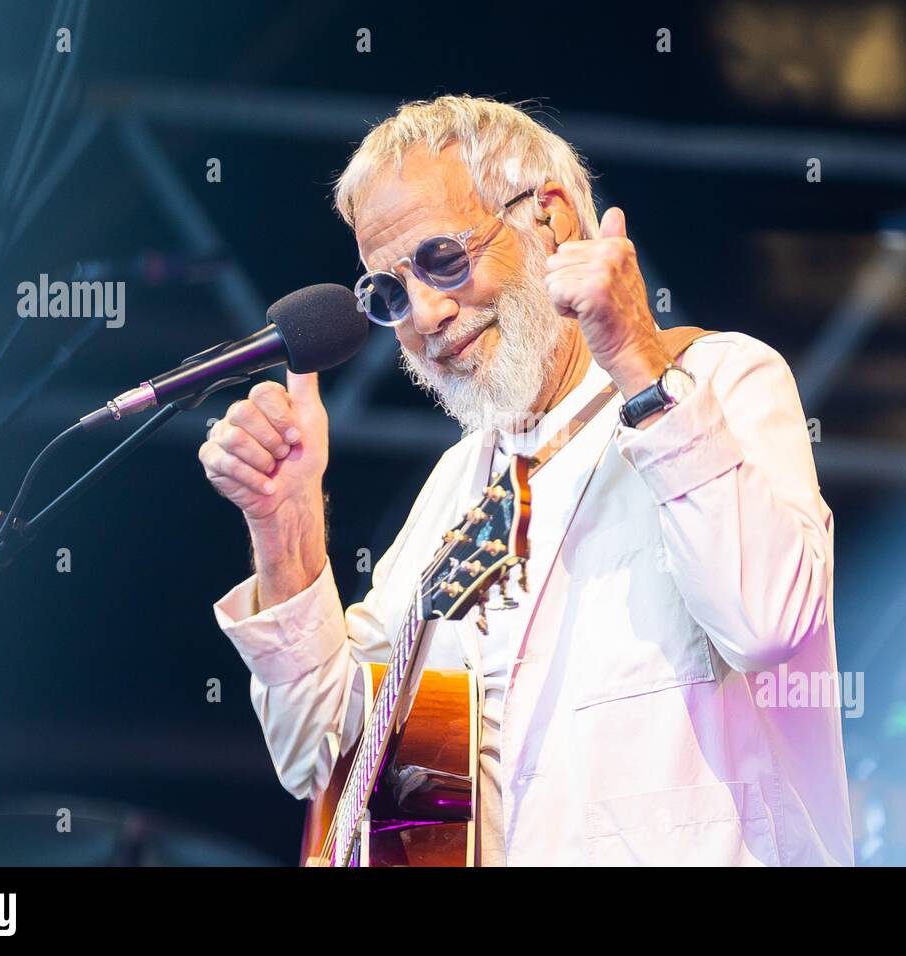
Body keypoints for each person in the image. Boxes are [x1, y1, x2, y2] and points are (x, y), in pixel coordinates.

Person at [202, 96, 852, 866]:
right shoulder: (460, 479)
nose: (427, 315)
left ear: (549, 217)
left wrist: (640, 365)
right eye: (391, 293)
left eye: (444, 258)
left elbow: (767, 625)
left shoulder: (717, 378)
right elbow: (320, 753)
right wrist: (285, 527)